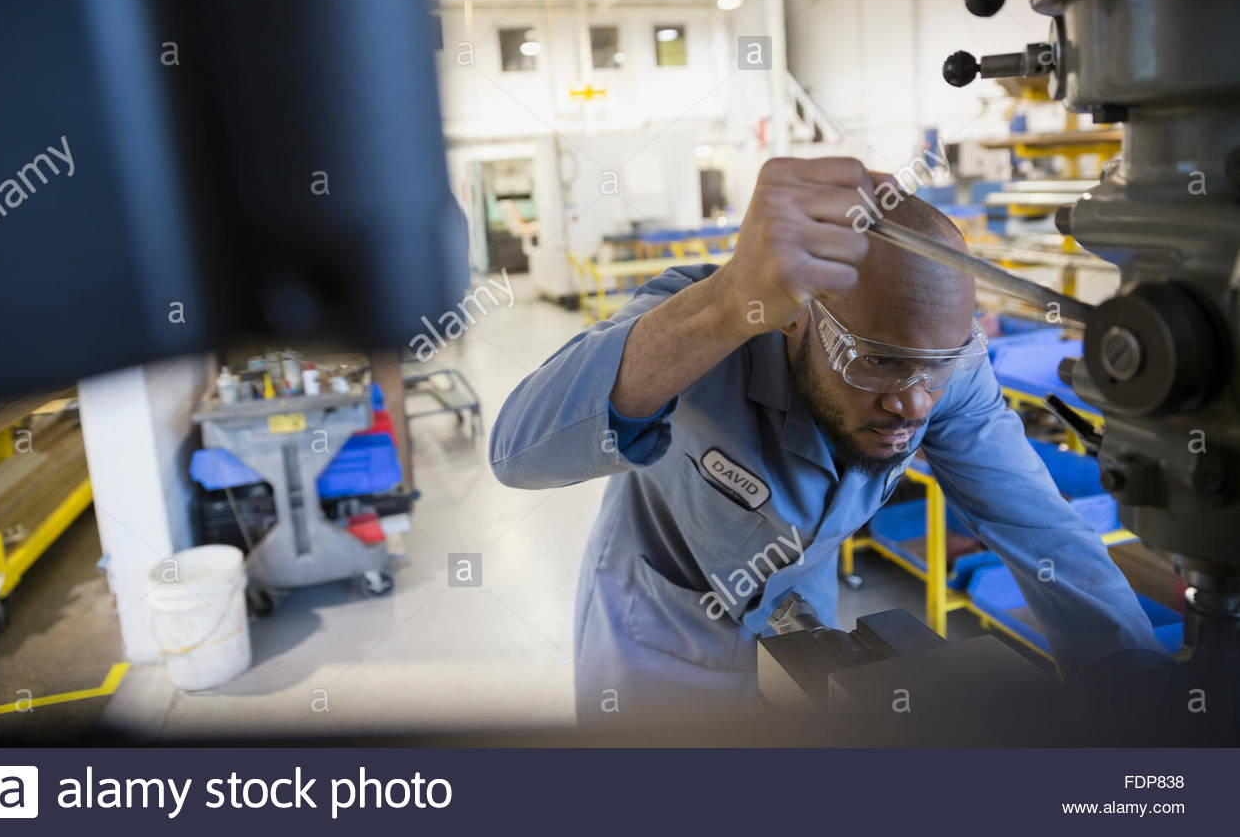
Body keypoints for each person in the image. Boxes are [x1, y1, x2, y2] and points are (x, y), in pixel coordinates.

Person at [489, 157, 1162, 723]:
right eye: (877, 360)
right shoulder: (707, 323)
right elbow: (517, 454)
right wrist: (723, 306)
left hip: (808, 643)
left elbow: (1040, 526)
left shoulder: (946, 367)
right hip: (656, 645)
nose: (913, 400)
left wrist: (1134, 689)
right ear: (792, 319)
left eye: (935, 367)